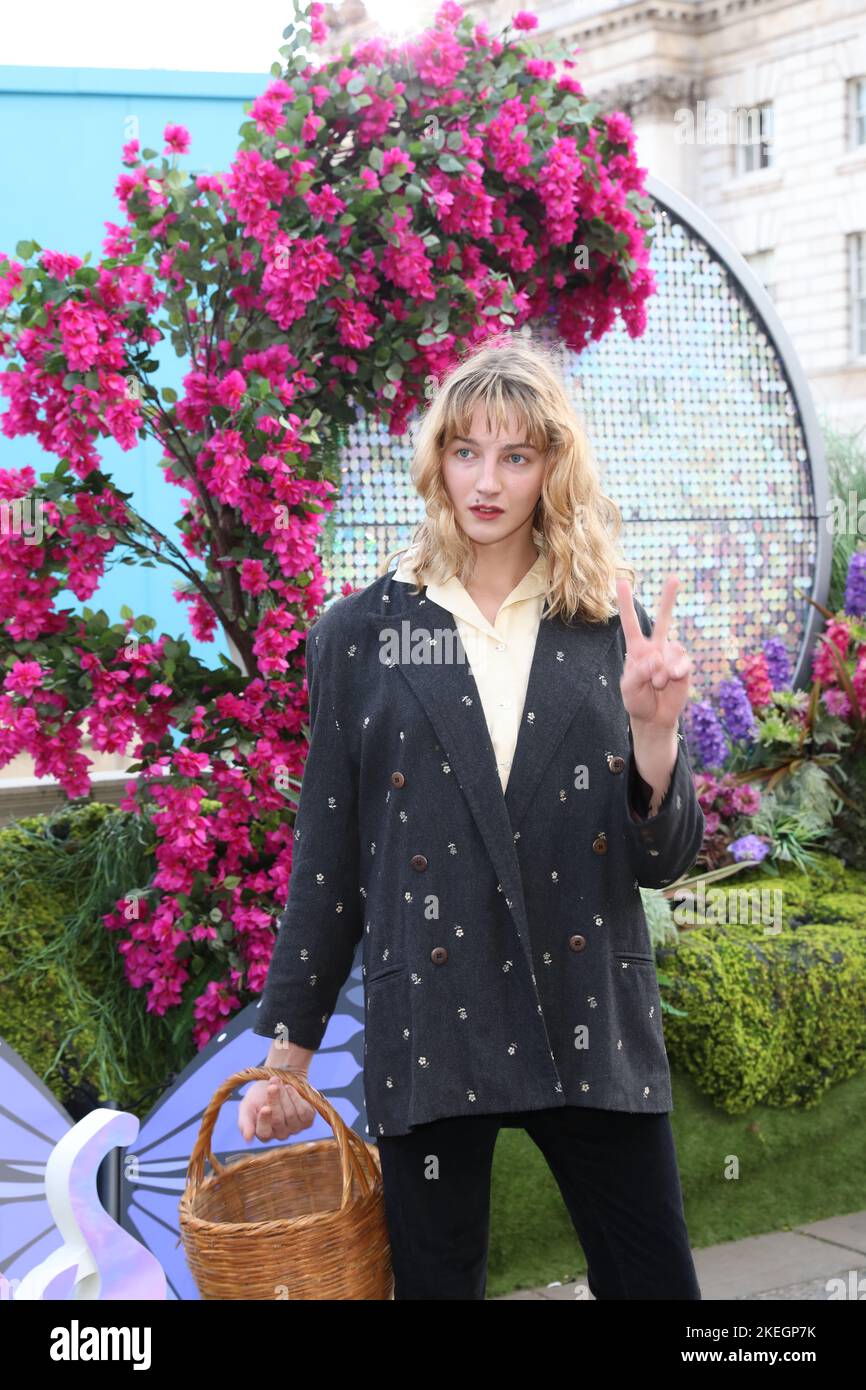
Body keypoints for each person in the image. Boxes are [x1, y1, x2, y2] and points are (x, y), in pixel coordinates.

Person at [238, 331, 704, 1300]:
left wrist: (655, 739)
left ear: (550, 468)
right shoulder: (362, 634)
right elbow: (327, 855)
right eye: (465, 449)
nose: (484, 480)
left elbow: (661, 860)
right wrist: (288, 1056)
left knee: (657, 1287)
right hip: (433, 1019)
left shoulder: (605, 630)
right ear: (437, 458)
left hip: (585, 1003)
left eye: (515, 455)